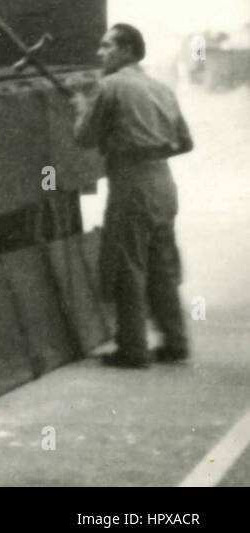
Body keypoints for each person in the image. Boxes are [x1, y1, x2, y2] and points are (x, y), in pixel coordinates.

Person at [71, 23, 193, 368]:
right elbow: (185, 143)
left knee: (129, 266)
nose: (100, 53)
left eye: (106, 46)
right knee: (164, 267)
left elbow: (84, 138)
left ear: (126, 51)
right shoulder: (161, 88)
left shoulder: (109, 87)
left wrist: (81, 108)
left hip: (132, 183)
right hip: (163, 183)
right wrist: (152, 143)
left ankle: (133, 349)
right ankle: (175, 343)